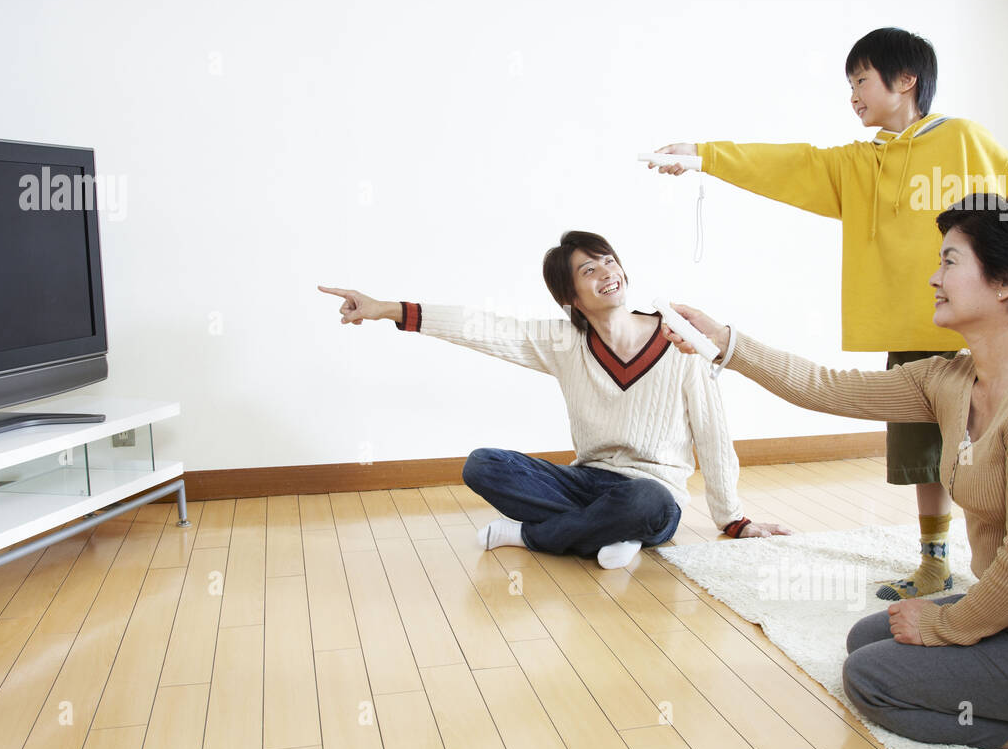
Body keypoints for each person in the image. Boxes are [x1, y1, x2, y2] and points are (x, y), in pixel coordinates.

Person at [660, 193, 1008, 749]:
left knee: (874, 680)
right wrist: (726, 341)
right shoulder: (954, 379)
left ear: (1005, 283)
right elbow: (828, 386)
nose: (932, 277)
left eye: (949, 261)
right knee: (867, 638)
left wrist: (945, 626)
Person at [648, 27, 1008, 603]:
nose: (853, 93)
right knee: (924, 459)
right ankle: (935, 562)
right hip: (913, 331)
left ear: (905, 80)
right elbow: (789, 165)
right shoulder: (857, 166)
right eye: (849, 83)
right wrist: (704, 157)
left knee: (1000, 454)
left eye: (862, 79)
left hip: (982, 334)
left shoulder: (964, 142)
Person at [319, 230, 787, 570]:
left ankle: (531, 536)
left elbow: (713, 434)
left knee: (645, 500)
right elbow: (483, 327)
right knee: (482, 465)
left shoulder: (677, 340)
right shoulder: (565, 343)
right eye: (589, 269)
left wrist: (733, 520)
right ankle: (610, 536)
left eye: (608, 261)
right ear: (571, 297)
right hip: (586, 481)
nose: (607, 272)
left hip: (652, 494)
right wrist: (388, 310)